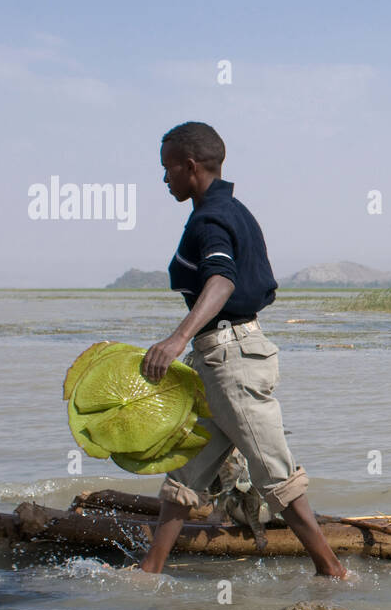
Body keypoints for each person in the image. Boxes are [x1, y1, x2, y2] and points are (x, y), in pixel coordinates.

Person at [137, 121, 350, 579]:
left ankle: (333, 573)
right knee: (185, 473)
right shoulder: (237, 211)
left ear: (190, 166)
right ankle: (148, 574)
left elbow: (222, 279)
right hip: (224, 358)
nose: (164, 178)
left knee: (275, 474)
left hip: (230, 361)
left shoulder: (209, 218)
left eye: (167, 168)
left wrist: (176, 340)